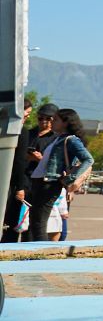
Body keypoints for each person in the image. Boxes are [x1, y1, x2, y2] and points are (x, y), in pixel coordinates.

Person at [27, 108, 93, 242]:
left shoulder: (71, 140)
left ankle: (40, 256)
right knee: (35, 221)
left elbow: (88, 159)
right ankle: (37, 253)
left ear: (66, 122)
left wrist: (70, 178)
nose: (52, 122)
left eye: (55, 119)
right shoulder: (58, 138)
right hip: (40, 181)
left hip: (49, 184)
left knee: (39, 223)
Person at [2, 97, 33, 243]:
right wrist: (20, 187)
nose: (27, 117)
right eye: (26, 114)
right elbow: (20, 161)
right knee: (10, 221)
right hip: (10, 184)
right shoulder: (21, 131)